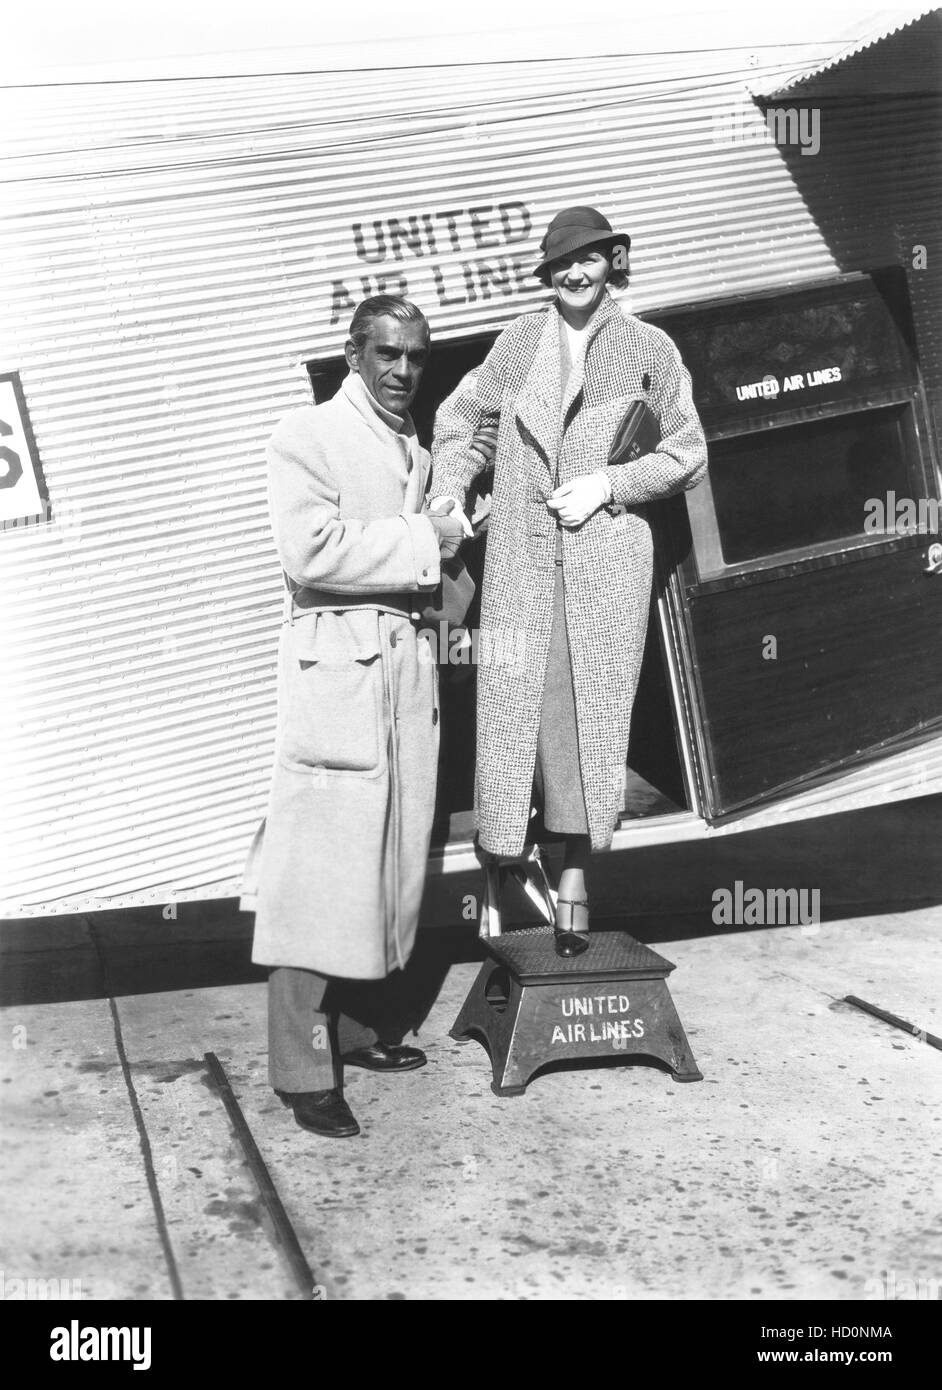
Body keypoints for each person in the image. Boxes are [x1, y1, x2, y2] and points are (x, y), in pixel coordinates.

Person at [429, 207, 708, 956]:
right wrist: (450, 490)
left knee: (586, 729)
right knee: (514, 724)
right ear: (547, 276)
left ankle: (576, 902)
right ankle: (505, 897)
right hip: (521, 565)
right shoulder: (520, 341)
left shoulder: (648, 347)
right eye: (560, 266)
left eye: (588, 260)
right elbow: (463, 423)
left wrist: (610, 484)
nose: (575, 275)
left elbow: (686, 450)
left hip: (604, 571)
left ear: (613, 262)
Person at [243, 295, 465, 1137]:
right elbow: (309, 552)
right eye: (387, 354)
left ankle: (365, 1032)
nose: (403, 371)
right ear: (352, 353)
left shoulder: (409, 443)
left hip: (400, 671)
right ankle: (303, 1073)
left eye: (415, 356)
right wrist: (424, 540)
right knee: (320, 875)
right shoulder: (306, 435)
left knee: (391, 861)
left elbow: (417, 563)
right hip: (338, 670)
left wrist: (449, 558)